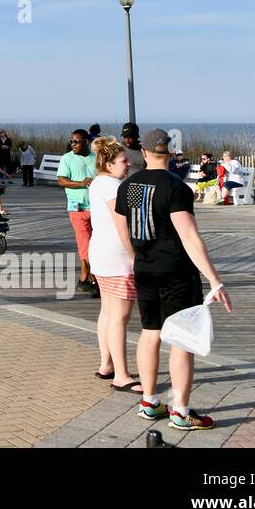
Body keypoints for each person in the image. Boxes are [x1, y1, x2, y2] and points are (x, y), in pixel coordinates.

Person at [113, 129, 232, 430]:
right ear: (169, 152)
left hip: (144, 269)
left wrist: (137, 257)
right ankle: (180, 411)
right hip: (176, 271)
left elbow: (123, 230)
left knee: (150, 331)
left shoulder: (127, 187)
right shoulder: (175, 187)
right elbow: (189, 235)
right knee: (181, 339)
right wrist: (215, 280)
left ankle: (150, 402)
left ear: (143, 151)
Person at [88, 137, 143, 393]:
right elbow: (122, 224)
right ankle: (121, 374)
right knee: (119, 317)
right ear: (109, 164)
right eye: (123, 161)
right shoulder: (112, 186)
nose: (128, 165)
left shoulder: (100, 182)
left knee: (108, 312)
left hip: (100, 254)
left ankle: (106, 364)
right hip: (116, 257)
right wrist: (134, 255)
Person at [57, 129, 97, 296]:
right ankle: (96, 279)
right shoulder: (67, 158)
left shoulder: (96, 158)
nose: (72, 144)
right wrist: (81, 183)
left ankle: (83, 278)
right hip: (77, 208)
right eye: (71, 141)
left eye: (76, 141)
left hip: (97, 207)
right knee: (85, 244)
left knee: (95, 244)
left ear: (86, 142)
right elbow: (61, 181)